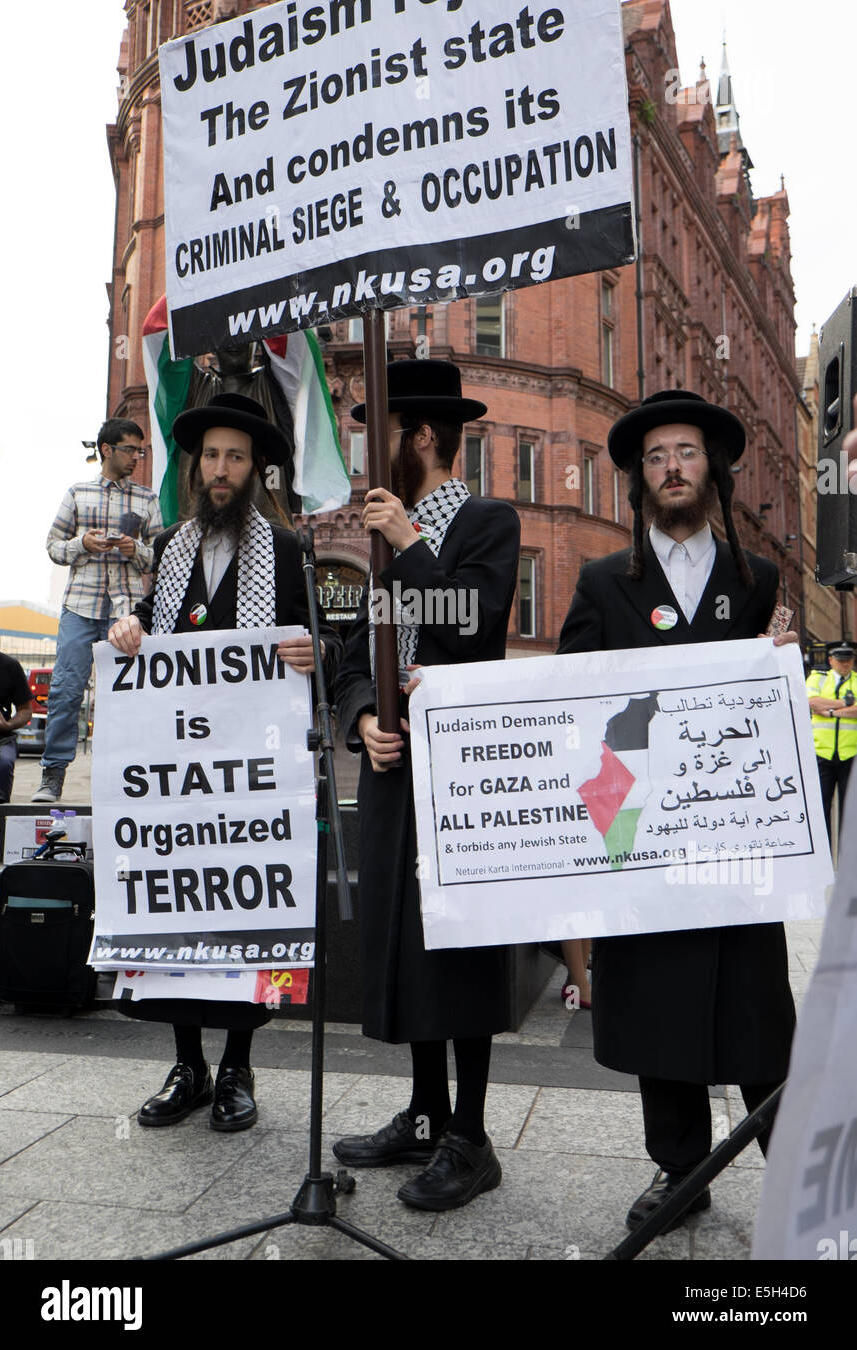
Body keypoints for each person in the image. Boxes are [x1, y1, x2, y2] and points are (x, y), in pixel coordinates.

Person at [557, 388, 799, 1233]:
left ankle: (799, 1171)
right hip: (644, 846)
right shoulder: (601, 584)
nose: (672, 468)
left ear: (713, 469)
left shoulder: (755, 579)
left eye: (686, 453)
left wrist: (777, 673)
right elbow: (570, 710)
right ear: (638, 480)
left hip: (735, 845)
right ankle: (680, 1173)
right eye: (656, 457)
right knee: (661, 1014)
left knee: (757, 1012)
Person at [107, 393, 340, 1132]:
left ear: (254, 469)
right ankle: (189, 1066)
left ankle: (237, 1065)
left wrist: (319, 649)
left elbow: (328, 640)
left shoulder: (290, 550)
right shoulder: (169, 545)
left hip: (256, 777)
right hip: (179, 775)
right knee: (184, 904)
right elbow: (148, 630)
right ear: (196, 464)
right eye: (210, 455)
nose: (220, 469)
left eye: (235, 457)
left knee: (249, 911)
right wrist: (128, 632)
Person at [332, 358, 521, 1210]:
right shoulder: (377, 538)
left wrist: (409, 545)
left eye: (383, 434)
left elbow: (472, 626)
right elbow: (355, 655)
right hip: (393, 766)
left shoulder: (486, 520)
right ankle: (423, 1109)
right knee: (405, 944)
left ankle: (470, 1135)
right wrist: (365, 716)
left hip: (464, 772)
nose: (371, 451)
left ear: (422, 437)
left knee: (463, 943)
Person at [34, 420, 162, 803]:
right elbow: (53, 546)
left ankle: (124, 777)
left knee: (127, 694)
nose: (137, 458)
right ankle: (52, 775)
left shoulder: (147, 500)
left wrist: (133, 550)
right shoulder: (78, 493)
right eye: (130, 450)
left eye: (141, 451)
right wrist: (82, 543)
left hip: (125, 608)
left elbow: (161, 556)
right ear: (106, 449)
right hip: (80, 605)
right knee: (64, 689)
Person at [805, 643, 857, 838]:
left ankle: (848, 859)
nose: (845, 665)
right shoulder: (818, 678)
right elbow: (811, 701)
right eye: (841, 661)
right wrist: (846, 703)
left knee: (850, 810)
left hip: (850, 755)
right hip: (821, 754)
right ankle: (824, 857)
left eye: (848, 660)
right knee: (820, 807)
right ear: (831, 660)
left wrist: (831, 712)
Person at [0, 618, 33, 803]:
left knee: (2, 763)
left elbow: (25, 710)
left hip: (0, 738)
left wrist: (6, 724)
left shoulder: (9, 666)